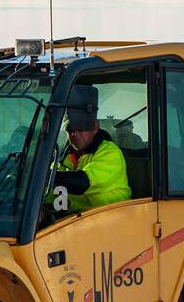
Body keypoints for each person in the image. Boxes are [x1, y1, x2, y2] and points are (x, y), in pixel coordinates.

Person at [50, 85, 132, 215]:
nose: (74, 135)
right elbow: (53, 196)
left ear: (95, 128)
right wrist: (45, 210)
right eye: (70, 130)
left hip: (112, 222)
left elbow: (82, 183)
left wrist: (46, 177)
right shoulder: (63, 159)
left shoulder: (110, 153)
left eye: (80, 128)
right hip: (75, 222)